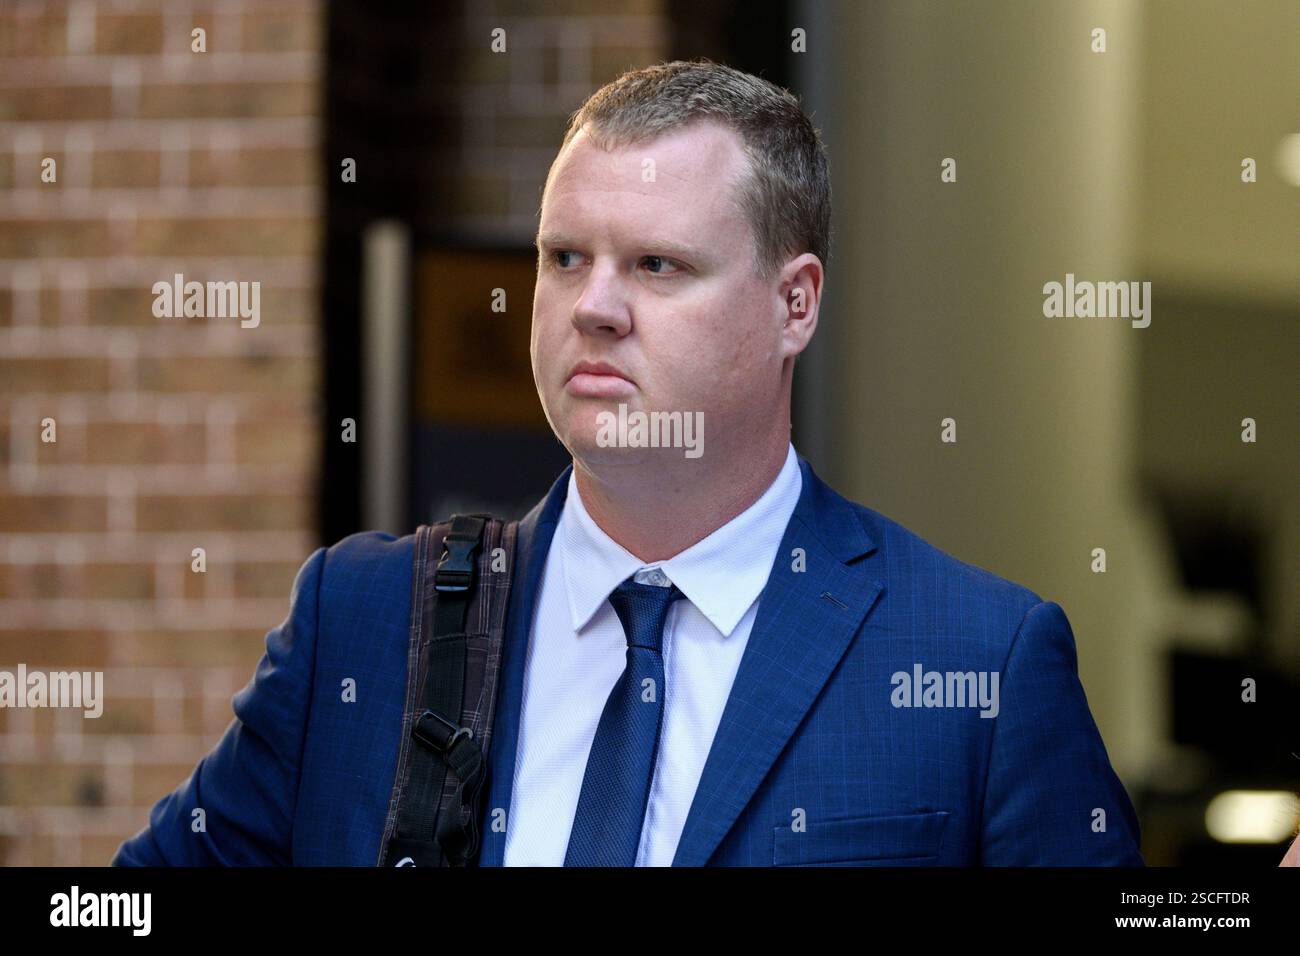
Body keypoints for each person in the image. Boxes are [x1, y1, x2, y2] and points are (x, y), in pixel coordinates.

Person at [113, 59, 1142, 867]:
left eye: (656, 264)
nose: (592, 306)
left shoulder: (979, 662)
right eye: (564, 257)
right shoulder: (366, 619)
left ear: (796, 303)